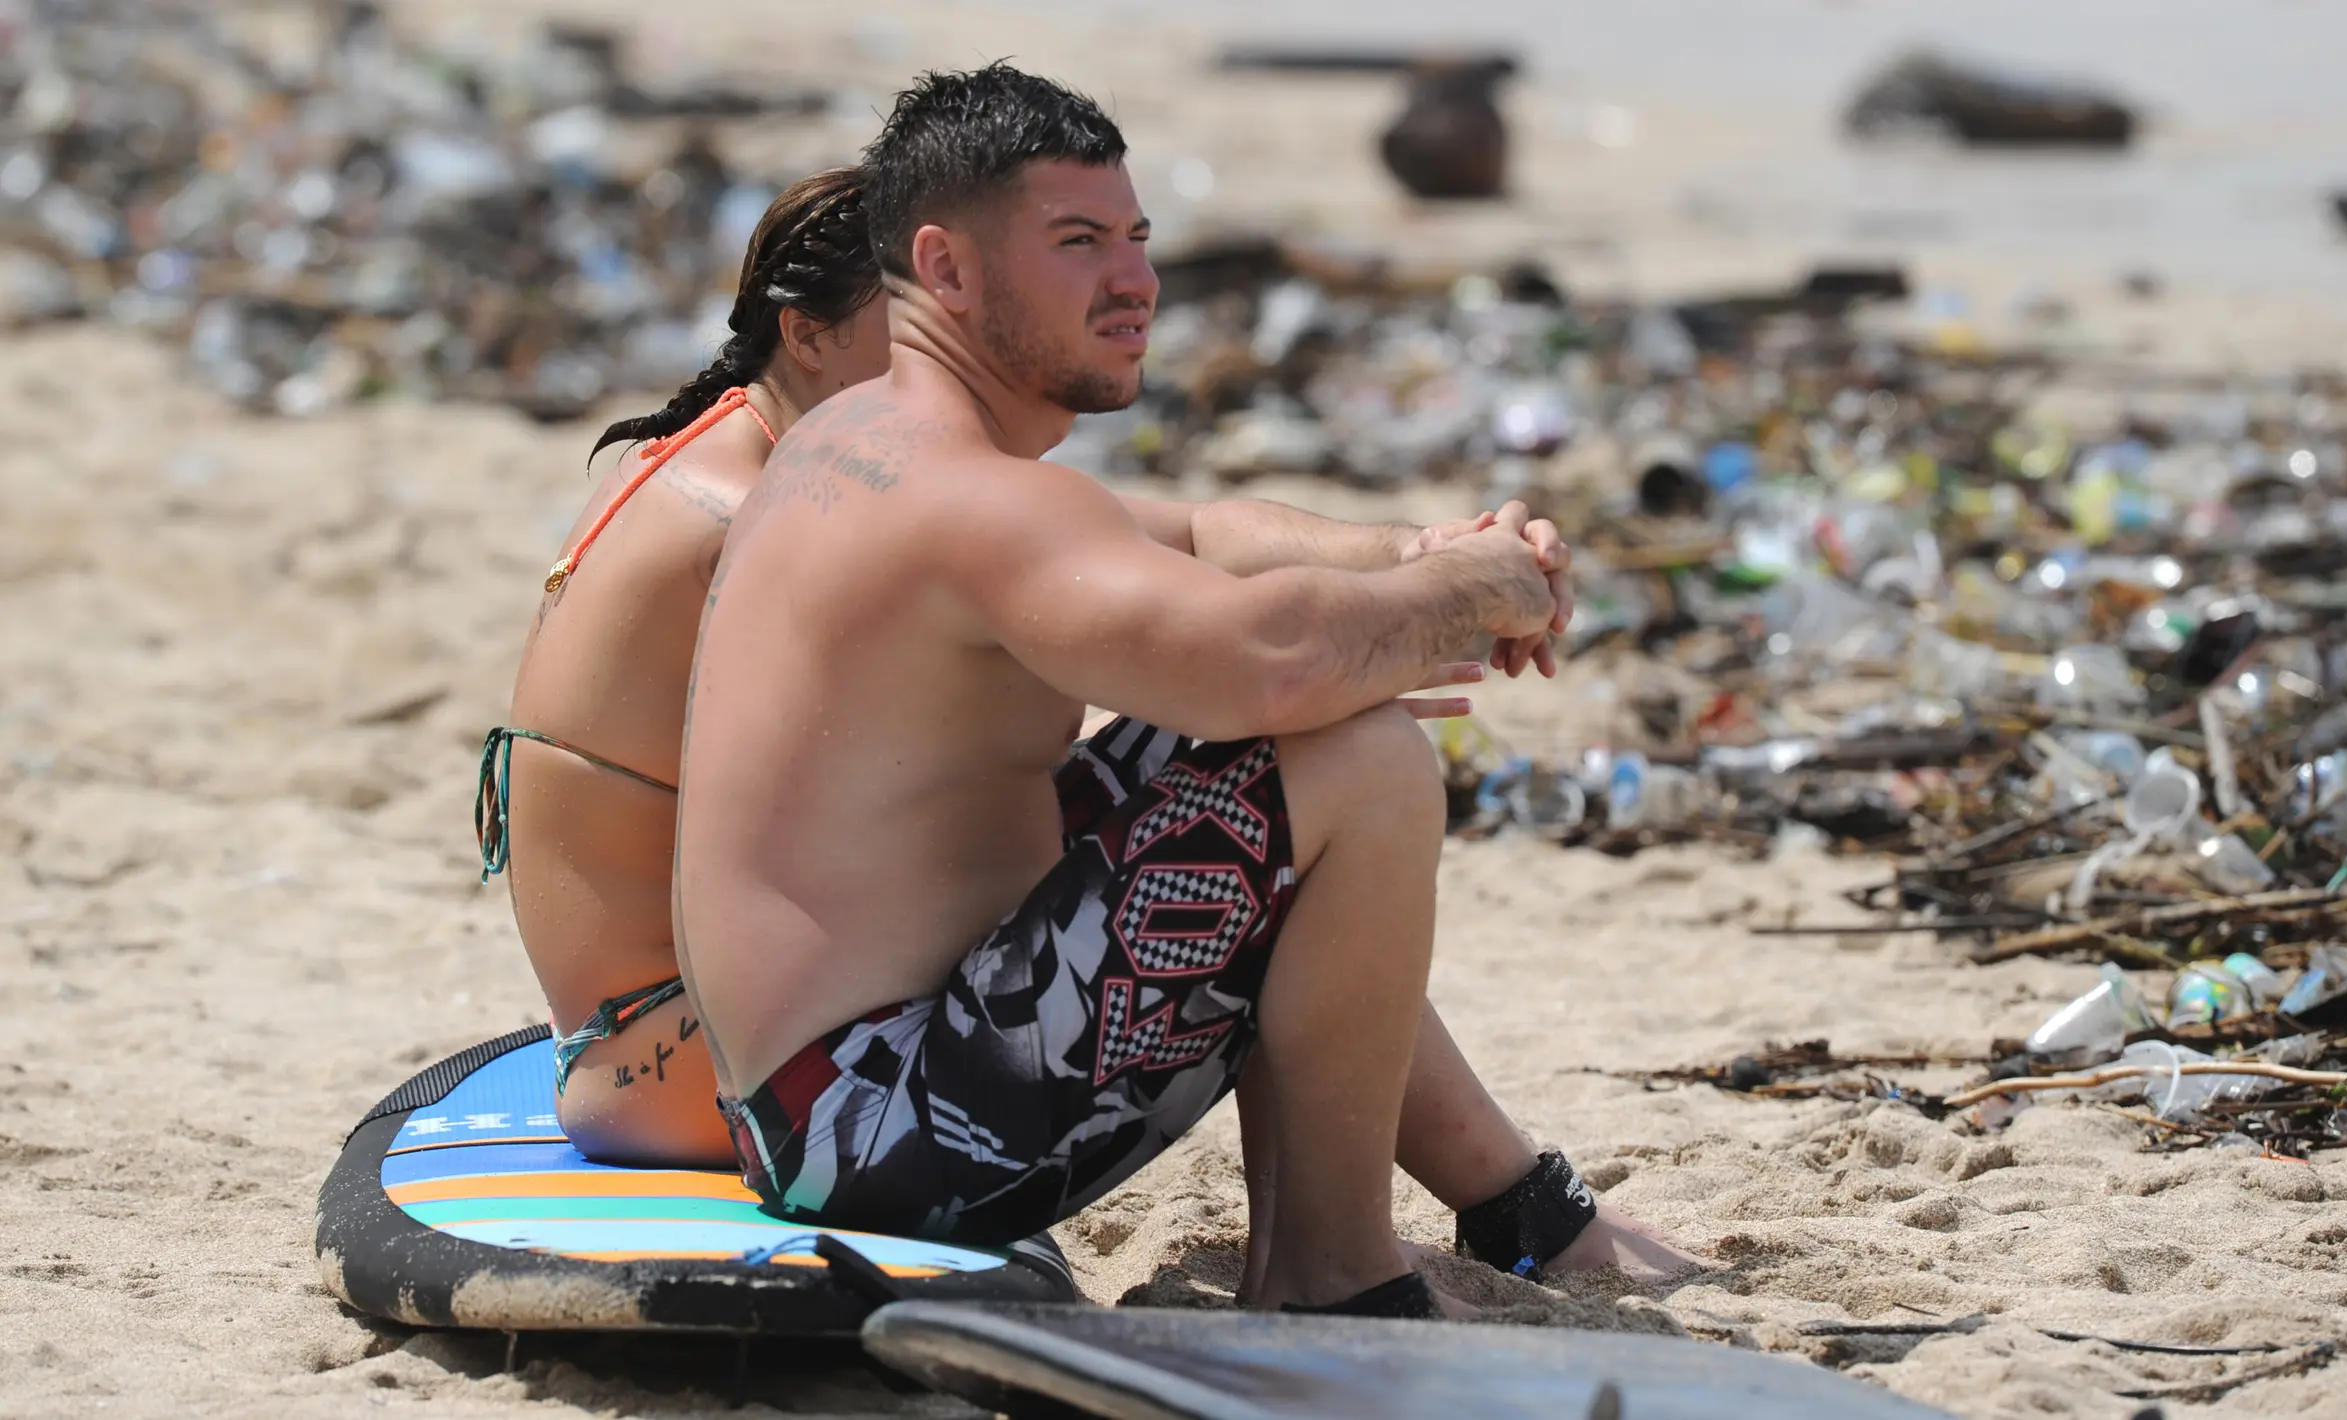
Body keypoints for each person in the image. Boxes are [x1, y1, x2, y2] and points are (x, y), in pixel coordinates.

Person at [674, 65, 1707, 1316]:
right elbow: (1260, 659)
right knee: (1356, 759)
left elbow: (1208, 536)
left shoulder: (866, 436)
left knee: (1313, 733)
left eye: (1137, 239)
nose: (1136, 282)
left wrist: (1428, 554)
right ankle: (1329, 1277)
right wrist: (1459, 601)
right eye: (1078, 243)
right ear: (944, 269)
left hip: (823, 1091)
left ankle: (1513, 1205)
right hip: (878, 1129)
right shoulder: (968, 499)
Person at [477, 167, 887, 1166]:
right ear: (807, 334)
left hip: (637, 1047)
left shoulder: (698, 451)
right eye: (919, 333)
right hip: (676, 1069)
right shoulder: (749, 521)